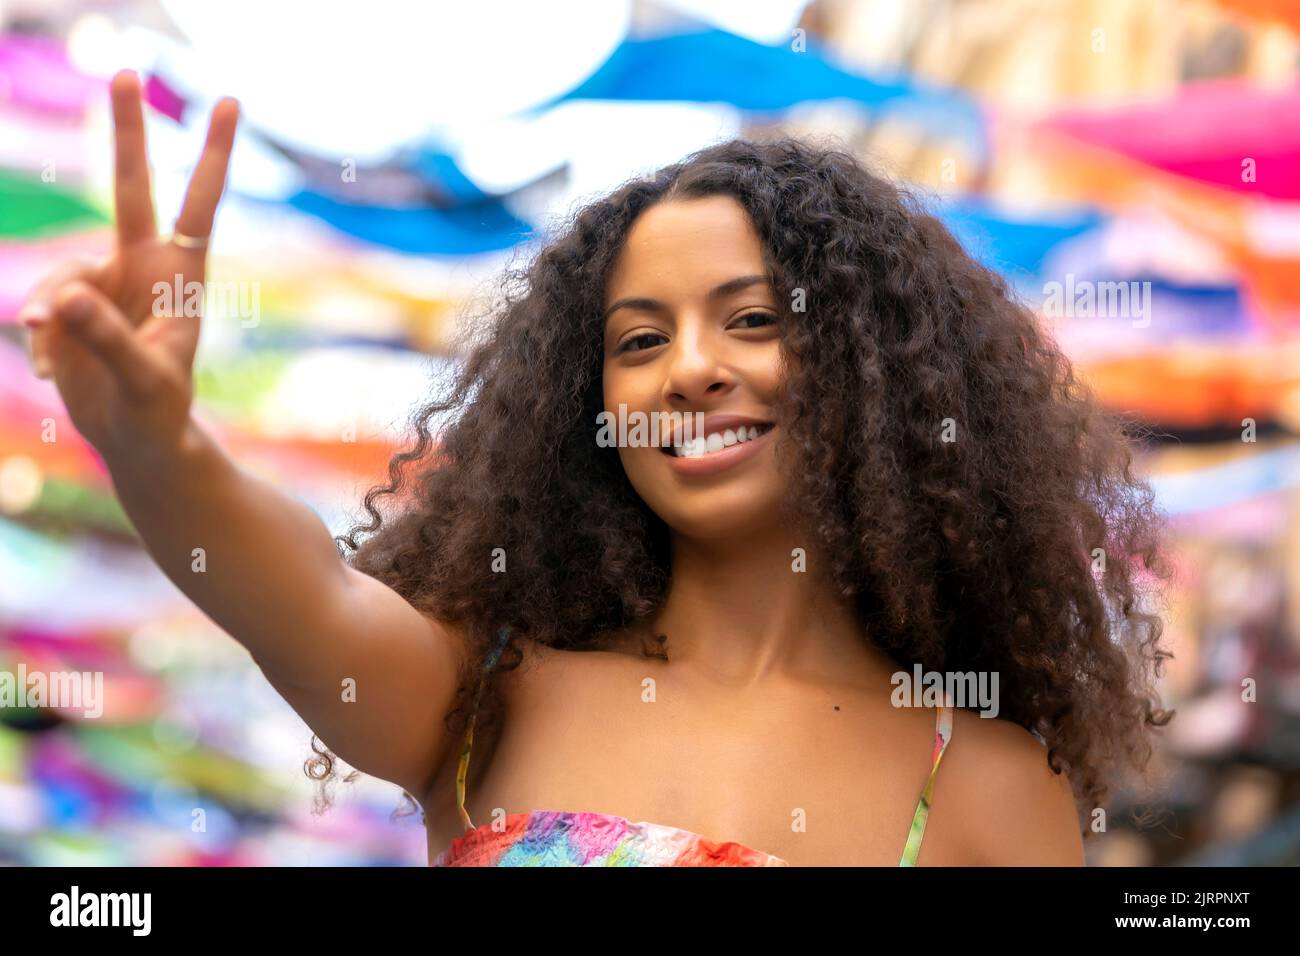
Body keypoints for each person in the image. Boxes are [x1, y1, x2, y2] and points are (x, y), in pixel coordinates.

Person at [22, 69, 1172, 867]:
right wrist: (155, 442)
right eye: (637, 339)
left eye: (753, 319)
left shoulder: (979, 782)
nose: (688, 369)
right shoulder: (484, 695)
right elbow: (303, 599)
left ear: (879, 369)